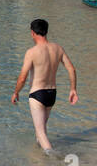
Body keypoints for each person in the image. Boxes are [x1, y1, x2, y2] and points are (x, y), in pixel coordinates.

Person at [11, 18, 78, 153]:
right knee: (41, 129)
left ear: (32, 33)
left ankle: (53, 157)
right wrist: (73, 89)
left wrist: (16, 92)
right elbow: (72, 69)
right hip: (51, 94)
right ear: (46, 31)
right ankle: (39, 161)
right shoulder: (58, 48)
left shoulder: (31, 52)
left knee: (40, 132)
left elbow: (22, 77)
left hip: (37, 94)